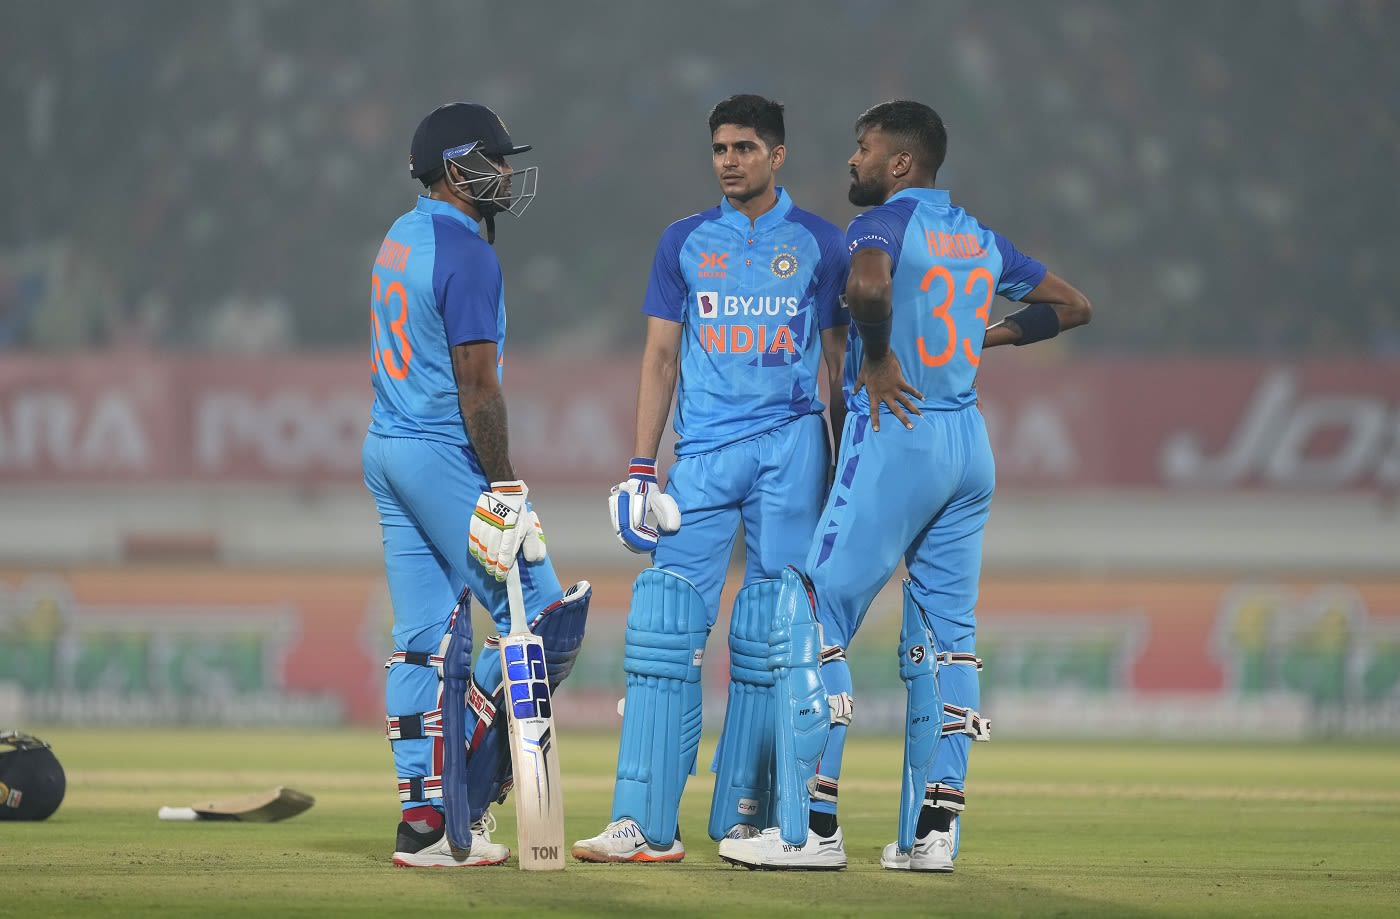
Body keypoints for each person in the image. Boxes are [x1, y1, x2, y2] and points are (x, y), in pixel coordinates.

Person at [718, 99, 1092, 871]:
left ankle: (808, 828)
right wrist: (994, 333)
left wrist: (880, 357)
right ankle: (934, 834)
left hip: (898, 430)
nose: (852, 161)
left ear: (900, 163)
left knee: (808, 610)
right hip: (966, 443)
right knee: (946, 641)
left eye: (863, 148)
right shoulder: (979, 237)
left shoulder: (881, 224)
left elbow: (868, 285)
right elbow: (1072, 306)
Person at [570, 94, 850, 863]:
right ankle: (643, 824)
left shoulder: (821, 244)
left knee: (773, 632)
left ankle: (749, 816)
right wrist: (638, 468)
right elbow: (660, 357)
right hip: (700, 455)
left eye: (746, 148)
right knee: (662, 624)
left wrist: (845, 466)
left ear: (778, 155)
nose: (730, 161)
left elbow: (836, 366)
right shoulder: (684, 242)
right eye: (721, 149)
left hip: (792, 446)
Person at [362, 102, 591, 869]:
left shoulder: (400, 235)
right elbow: (479, 389)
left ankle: (425, 826)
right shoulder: (469, 255)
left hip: (387, 446)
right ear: (457, 170)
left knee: (424, 644)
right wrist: (506, 489)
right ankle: (467, 772)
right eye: (494, 161)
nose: (506, 174)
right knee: (547, 615)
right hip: (438, 454)